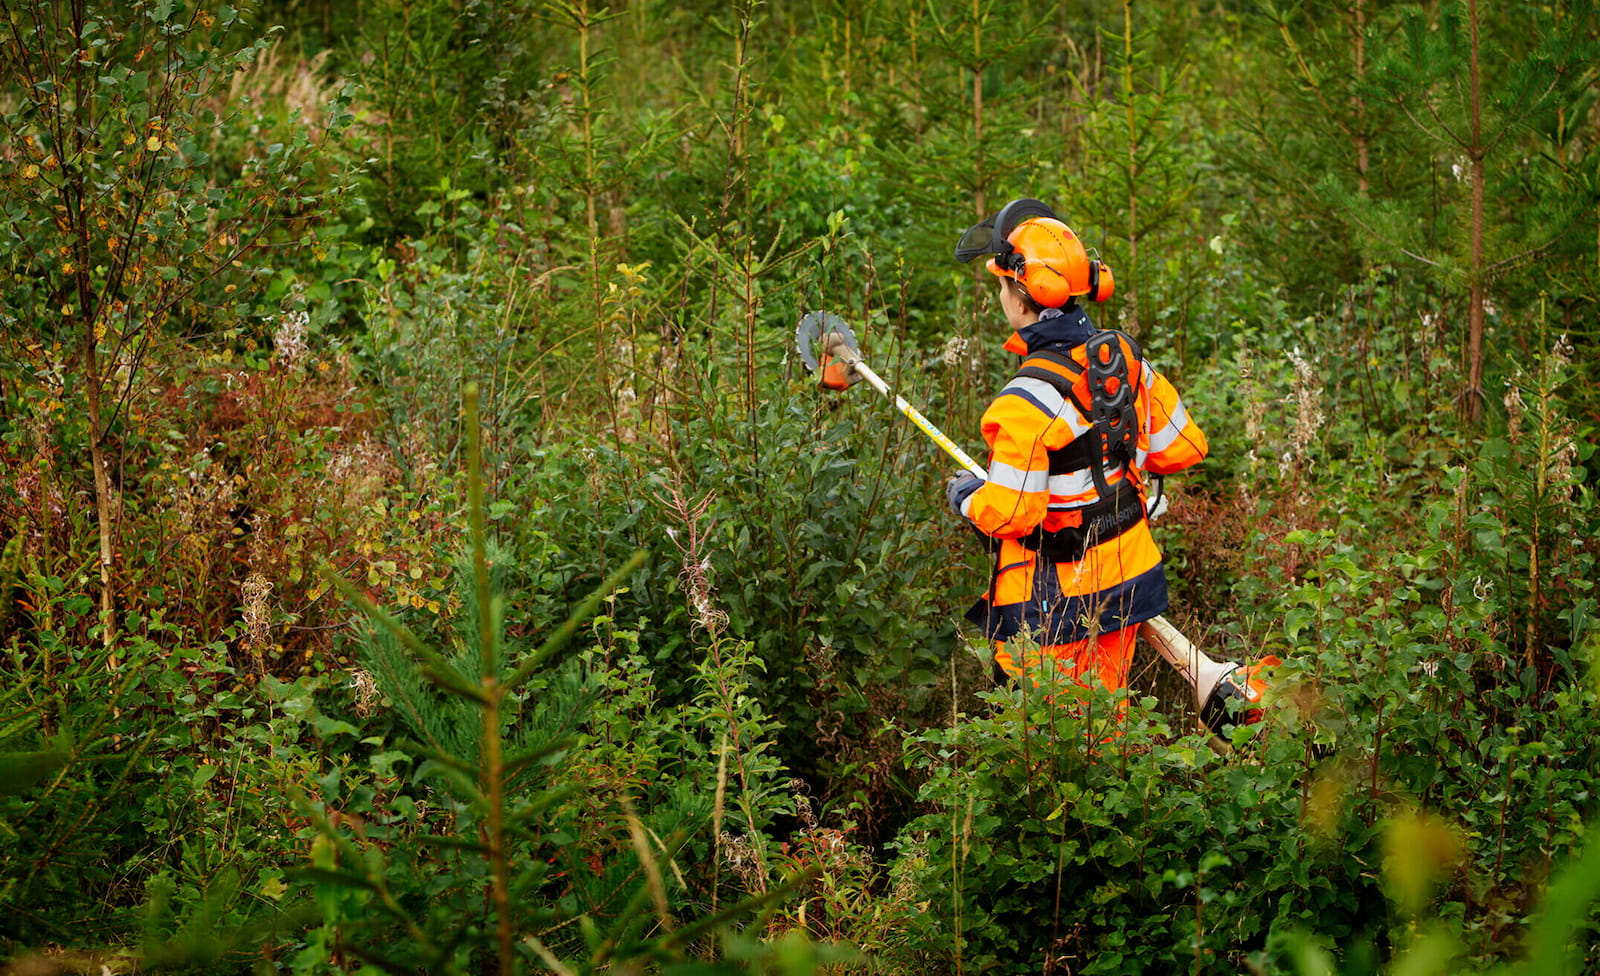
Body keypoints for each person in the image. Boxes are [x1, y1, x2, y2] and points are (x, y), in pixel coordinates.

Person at [947, 199, 1208, 702]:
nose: (1000, 296)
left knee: (1047, 725)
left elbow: (1011, 514)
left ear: (1024, 297)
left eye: (1001, 286)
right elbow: (1181, 446)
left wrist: (967, 495)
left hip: (1055, 600)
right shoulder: (1124, 356)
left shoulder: (1025, 401)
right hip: (1129, 571)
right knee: (1106, 712)